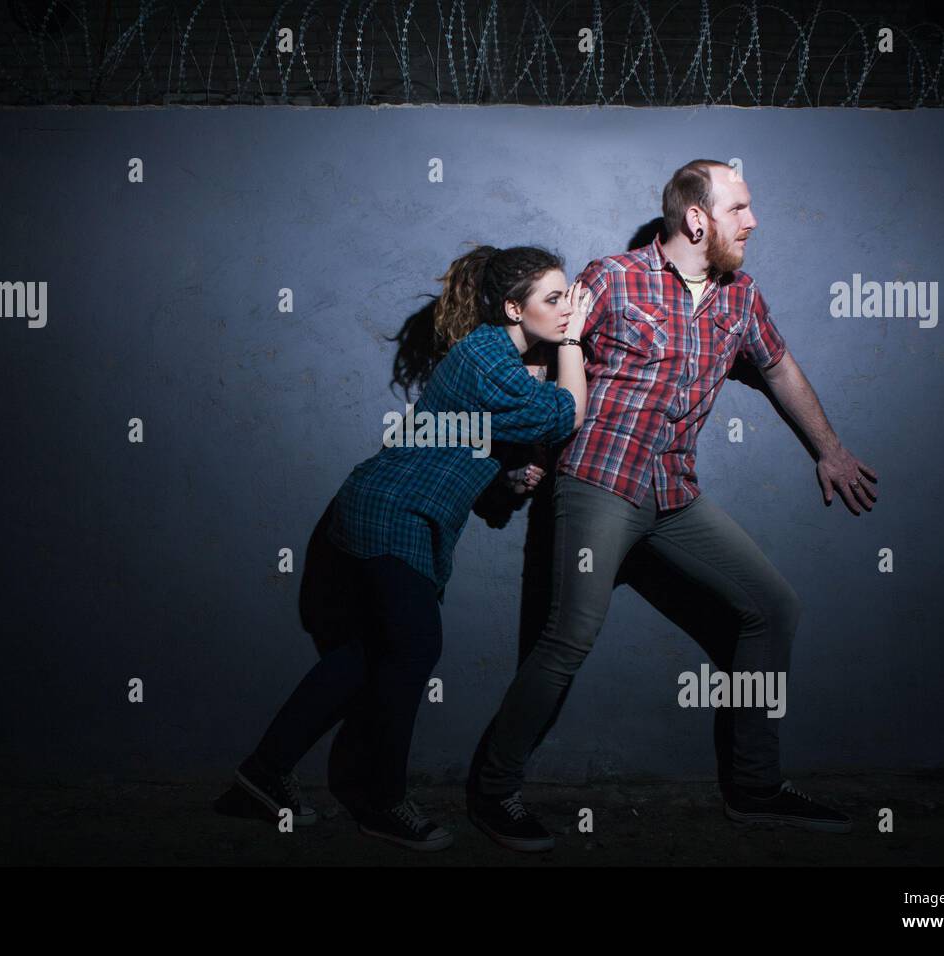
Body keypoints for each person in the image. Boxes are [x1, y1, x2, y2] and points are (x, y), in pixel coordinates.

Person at [467, 159, 880, 852]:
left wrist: (830, 450)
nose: (752, 221)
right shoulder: (612, 276)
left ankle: (753, 789)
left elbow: (778, 367)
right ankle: (493, 790)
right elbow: (547, 352)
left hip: (673, 491)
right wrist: (530, 454)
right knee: (568, 636)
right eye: (739, 208)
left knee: (773, 609)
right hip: (599, 478)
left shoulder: (740, 296)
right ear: (698, 218)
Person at [229, 244, 592, 851]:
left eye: (567, 297)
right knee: (416, 646)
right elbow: (563, 415)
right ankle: (381, 802)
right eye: (552, 299)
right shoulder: (487, 355)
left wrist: (504, 475)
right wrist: (573, 344)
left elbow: (460, 436)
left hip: (395, 510)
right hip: (391, 512)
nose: (565, 308)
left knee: (366, 655)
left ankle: (261, 776)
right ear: (512, 307)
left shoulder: (495, 359)